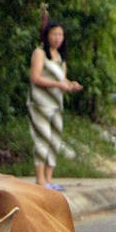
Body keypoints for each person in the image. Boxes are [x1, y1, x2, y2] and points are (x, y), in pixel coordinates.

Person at [28, 21, 81, 191]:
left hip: (56, 105)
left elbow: (62, 79)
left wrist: (71, 84)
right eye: (54, 34)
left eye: (60, 35)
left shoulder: (60, 58)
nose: (57, 38)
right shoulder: (39, 53)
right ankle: (40, 180)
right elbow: (35, 78)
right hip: (40, 104)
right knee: (42, 139)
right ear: (47, 35)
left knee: (54, 140)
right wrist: (58, 85)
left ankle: (50, 179)